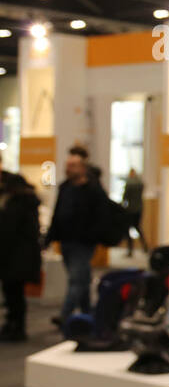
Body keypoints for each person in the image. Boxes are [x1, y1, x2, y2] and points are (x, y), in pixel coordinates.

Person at [44, 145, 107, 329]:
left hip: (84, 243)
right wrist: (49, 238)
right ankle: (87, 314)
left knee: (76, 279)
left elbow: (101, 215)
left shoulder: (93, 189)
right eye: (67, 165)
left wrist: (92, 236)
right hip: (66, 241)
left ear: (82, 168)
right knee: (83, 279)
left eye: (72, 166)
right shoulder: (65, 187)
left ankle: (65, 315)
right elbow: (57, 214)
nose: (68, 169)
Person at [0, 170, 42, 342]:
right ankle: (13, 324)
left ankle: (17, 326)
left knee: (14, 293)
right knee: (12, 293)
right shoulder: (23, 203)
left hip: (16, 257)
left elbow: (9, 230)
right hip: (16, 256)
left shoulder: (18, 204)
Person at [121, 168, 147, 257]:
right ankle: (145, 247)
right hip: (139, 208)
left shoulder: (129, 184)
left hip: (131, 209)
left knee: (128, 229)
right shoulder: (140, 183)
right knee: (138, 228)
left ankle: (130, 250)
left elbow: (125, 198)